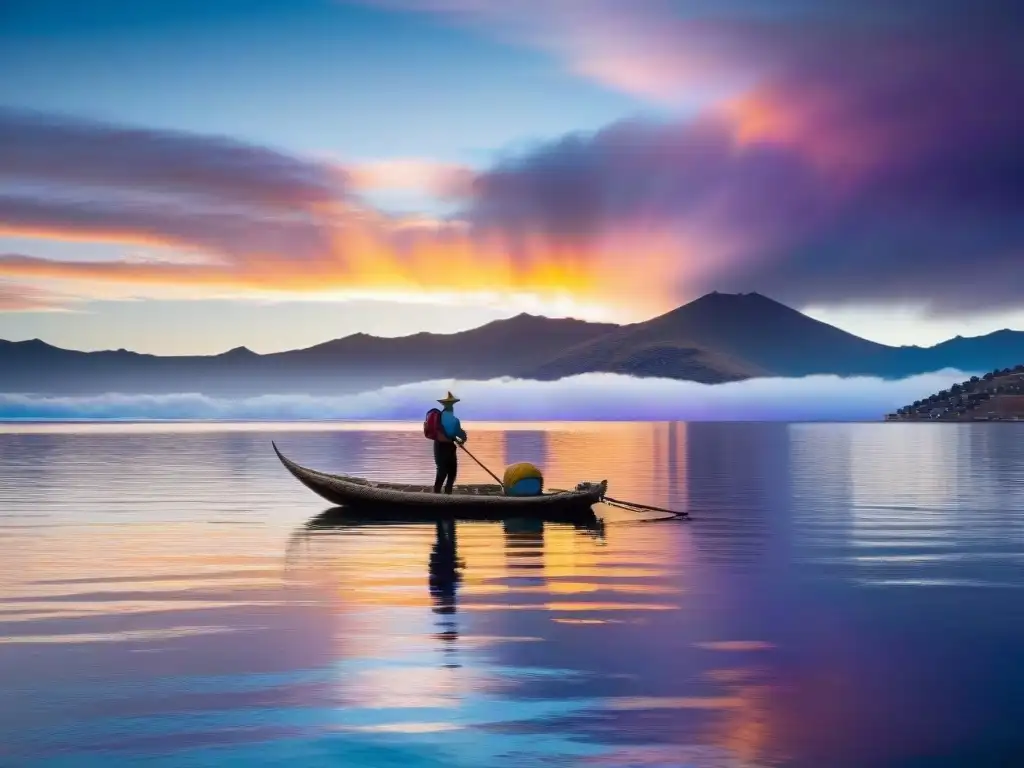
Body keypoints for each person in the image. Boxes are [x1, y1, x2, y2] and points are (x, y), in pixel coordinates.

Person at [433, 391, 467, 494]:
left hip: (438, 447)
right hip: (448, 448)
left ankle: (436, 495)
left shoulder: (438, 418)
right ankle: (447, 495)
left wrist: (459, 438)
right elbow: (460, 434)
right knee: (451, 474)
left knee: (441, 472)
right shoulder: (454, 420)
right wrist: (462, 439)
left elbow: (454, 433)